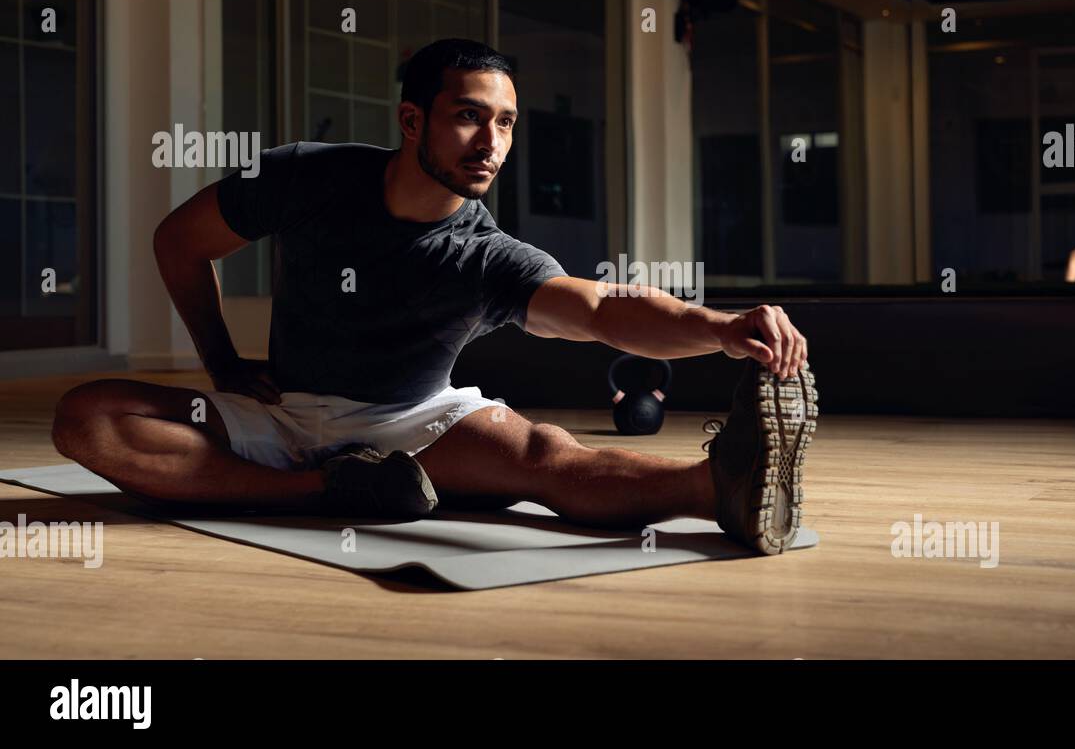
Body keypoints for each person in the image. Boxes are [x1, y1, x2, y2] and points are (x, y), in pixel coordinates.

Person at [49, 39, 816, 555]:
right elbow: (179, 240)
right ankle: (327, 490)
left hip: (415, 425)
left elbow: (602, 307)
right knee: (86, 416)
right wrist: (220, 359)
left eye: (506, 123)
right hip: (283, 413)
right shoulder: (304, 177)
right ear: (412, 120)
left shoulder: (487, 256)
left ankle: (721, 485)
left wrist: (720, 327)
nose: (491, 143)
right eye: (468, 116)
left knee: (546, 453)